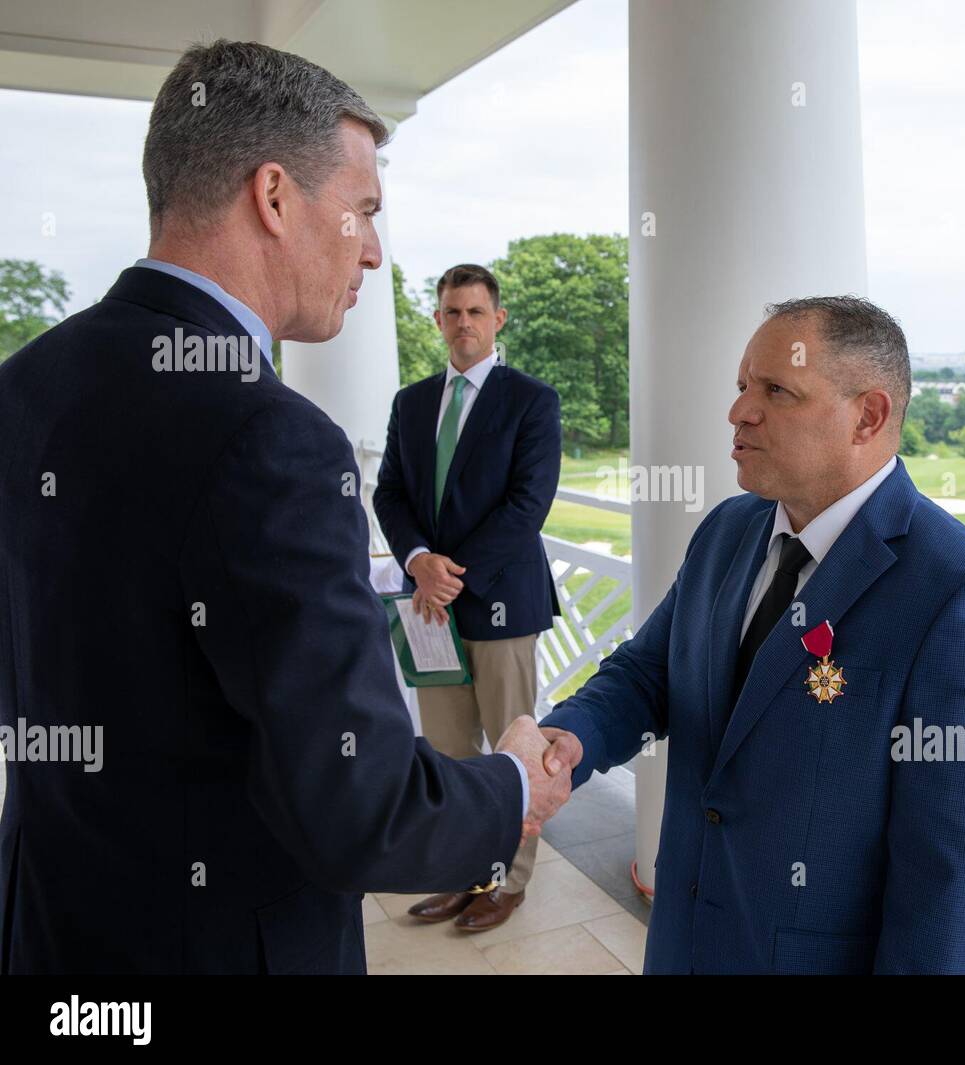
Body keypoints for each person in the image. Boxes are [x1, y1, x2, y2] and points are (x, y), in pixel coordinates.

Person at [0, 40, 570, 975]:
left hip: (51, 927)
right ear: (273, 197)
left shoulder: (25, 384)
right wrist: (511, 784)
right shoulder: (271, 435)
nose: (377, 251)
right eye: (364, 211)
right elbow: (359, 807)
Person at [539, 296, 965, 974]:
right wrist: (570, 739)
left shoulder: (961, 597)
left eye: (777, 390)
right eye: (744, 385)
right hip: (681, 944)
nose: (740, 410)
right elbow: (650, 672)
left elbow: (951, 881)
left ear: (868, 415)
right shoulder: (727, 531)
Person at [373, 263, 562, 932]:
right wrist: (421, 563)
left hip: (501, 600)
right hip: (428, 609)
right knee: (449, 752)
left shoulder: (531, 400)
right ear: (438, 320)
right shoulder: (412, 402)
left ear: (498, 319)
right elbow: (388, 493)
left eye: (476, 312)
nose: (463, 324)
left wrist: (456, 573)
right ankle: (462, 873)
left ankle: (507, 883)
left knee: (515, 753)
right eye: (452, 312)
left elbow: (528, 503)